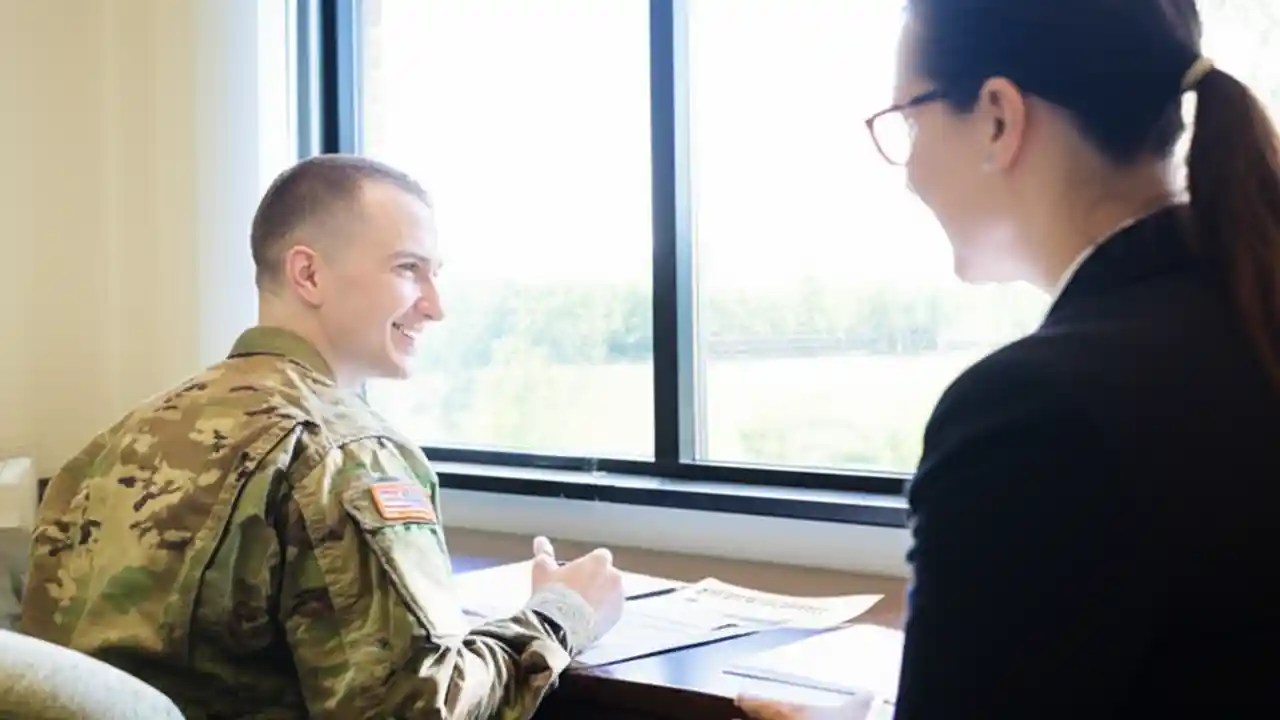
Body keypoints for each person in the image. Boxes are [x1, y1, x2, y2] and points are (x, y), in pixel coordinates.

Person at [738, 0, 1280, 718]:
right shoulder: (1247, 325)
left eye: (909, 119)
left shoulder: (1034, 414)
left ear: (998, 117)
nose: (908, 173)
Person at [19, 154, 626, 719]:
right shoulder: (342, 453)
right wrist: (561, 614)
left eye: (435, 274)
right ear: (308, 274)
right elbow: (417, 709)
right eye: (408, 269)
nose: (435, 306)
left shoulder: (111, 445)